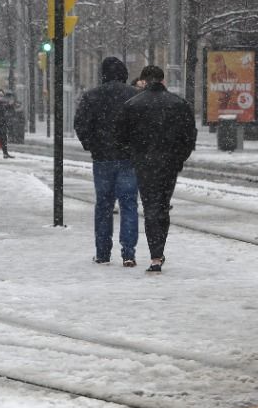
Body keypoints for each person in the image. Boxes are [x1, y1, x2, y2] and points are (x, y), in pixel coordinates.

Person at [115, 65, 196, 274]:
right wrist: (178, 158)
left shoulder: (132, 105)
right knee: (162, 205)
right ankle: (158, 252)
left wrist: (136, 155)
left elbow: (121, 137)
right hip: (169, 164)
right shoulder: (179, 104)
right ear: (162, 80)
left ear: (143, 81)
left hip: (145, 164)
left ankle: (155, 256)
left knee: (150, 206)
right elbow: (189, 137)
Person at [74, 57, 139, 267]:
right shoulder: (134, 96)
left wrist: (92, 145)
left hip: (102, 158)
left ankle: (102, 252)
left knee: (103, 205)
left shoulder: (92, 96)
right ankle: (128, 252)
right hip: (128, 158)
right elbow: (143, 126)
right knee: (129, 205)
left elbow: (81, 124)